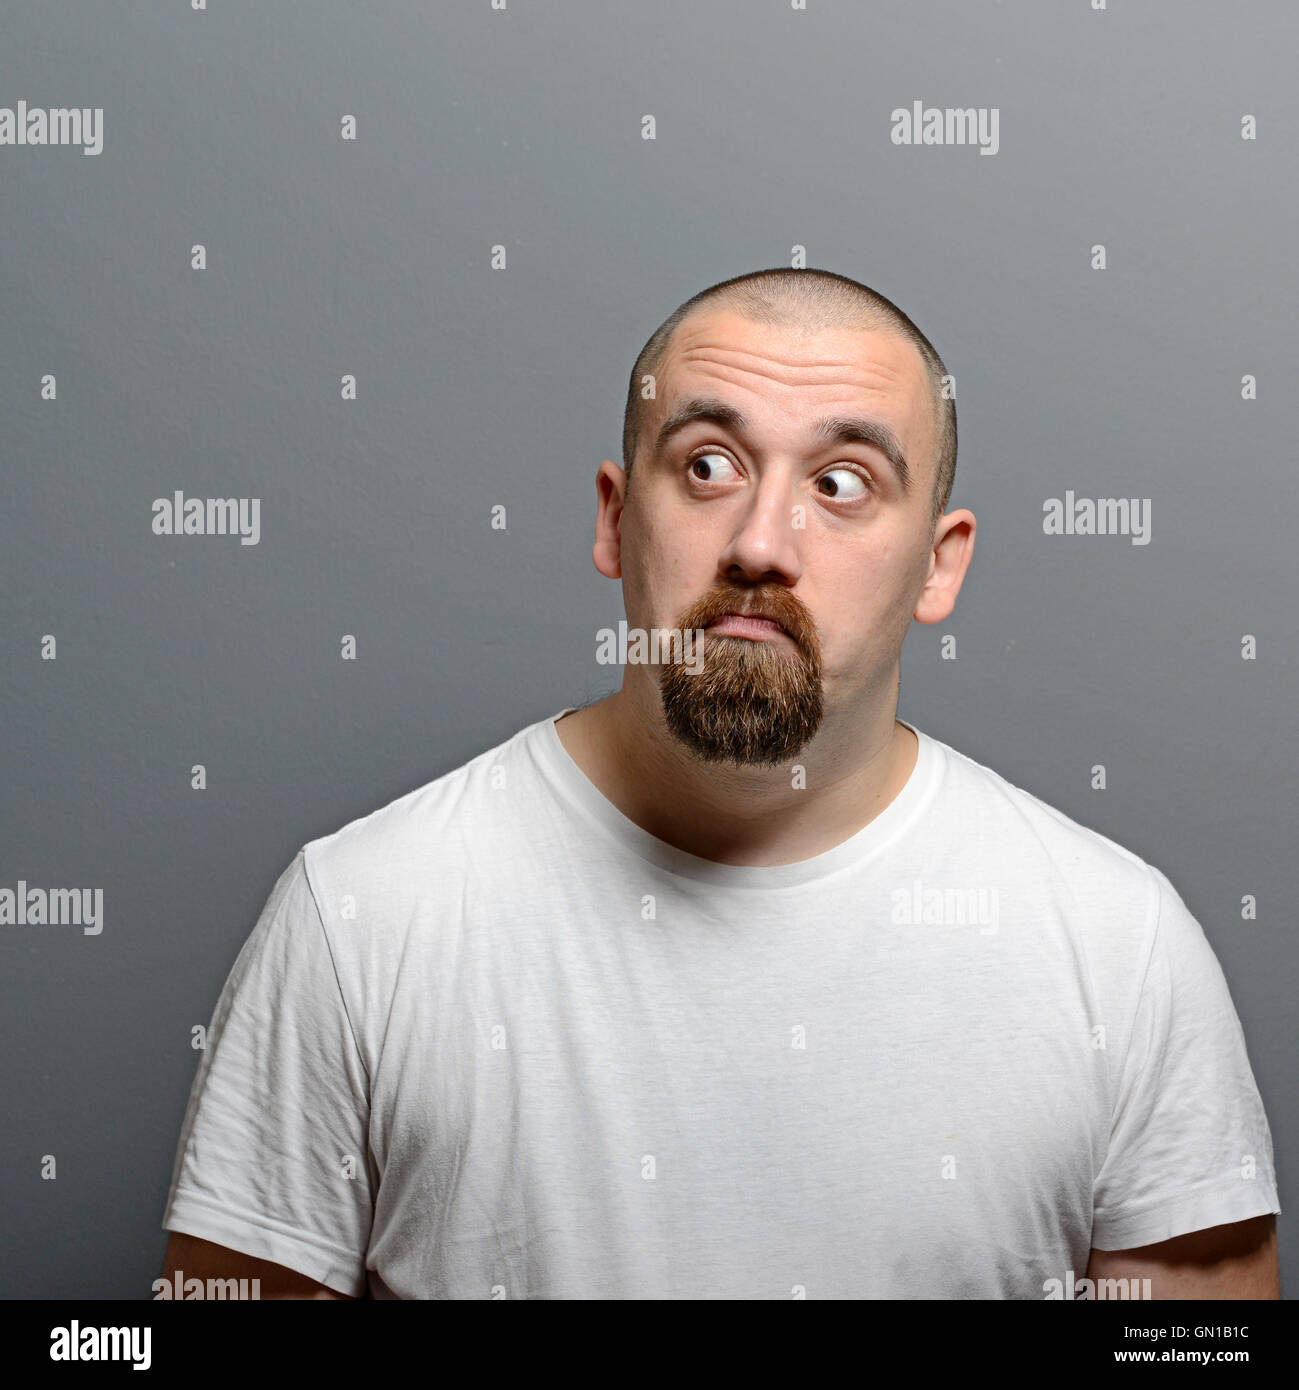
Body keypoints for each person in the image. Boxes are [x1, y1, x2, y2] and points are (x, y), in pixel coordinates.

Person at [160, 267, 1280, 1299]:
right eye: (708, 465)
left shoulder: (1122, 949)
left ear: (940, 564)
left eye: (843, 483)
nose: (761, 540)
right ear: (614, 517)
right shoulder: (361, 918)